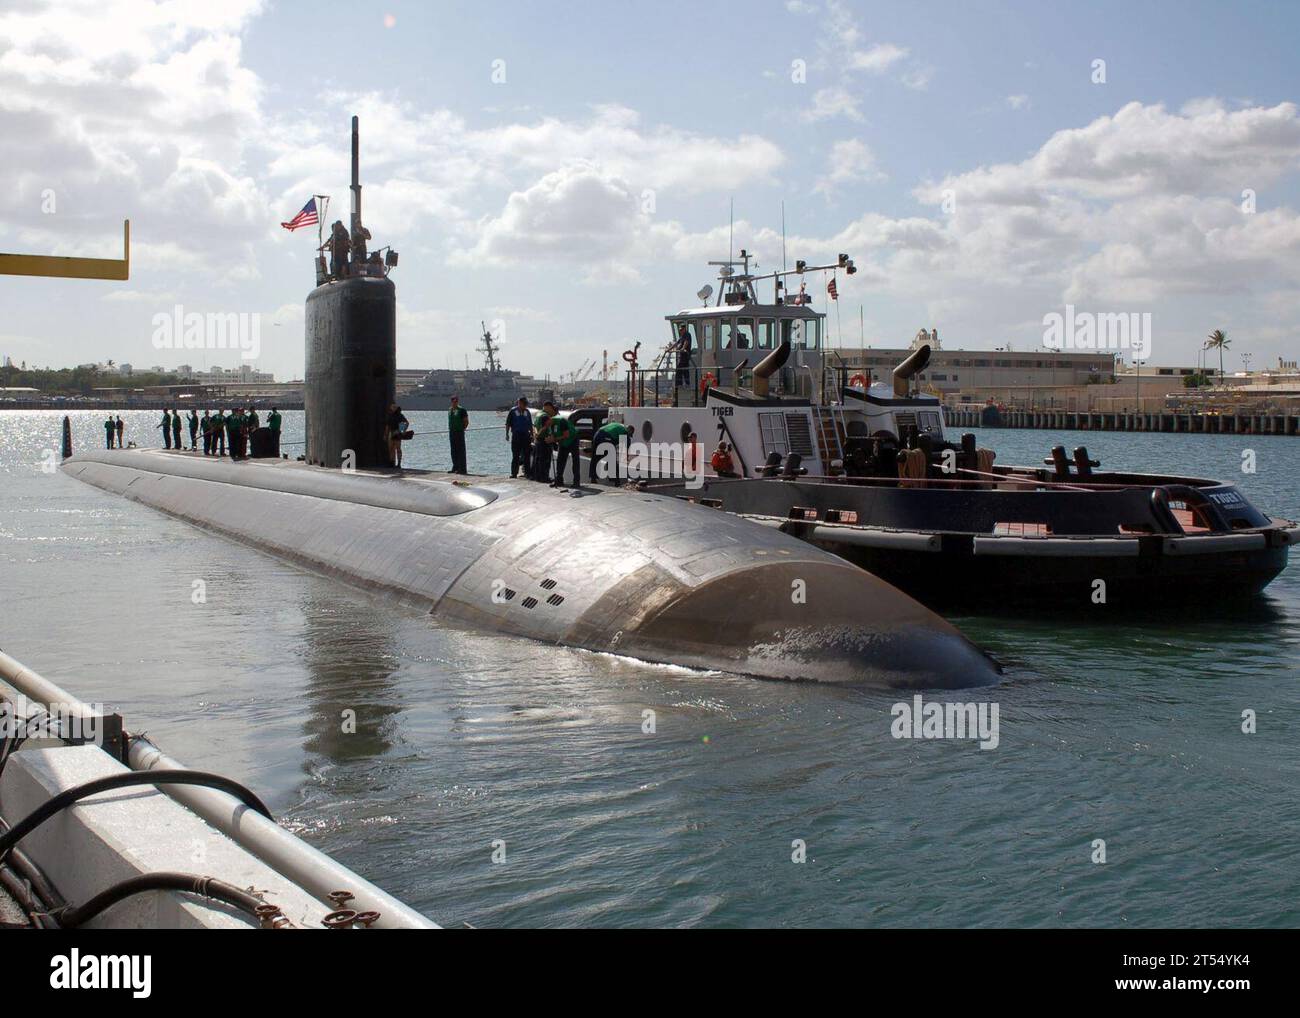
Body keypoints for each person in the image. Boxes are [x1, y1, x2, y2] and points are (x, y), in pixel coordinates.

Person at [544, 402, 579, 488]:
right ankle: (559, 481)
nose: (546, 426)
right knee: (560, 461)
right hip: (563, 442)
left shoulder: (561, 421)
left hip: (572, 440)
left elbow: (566, 435)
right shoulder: (550, 425)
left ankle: (576, 482)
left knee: (575, 461)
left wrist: (554, 439)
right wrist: (550, 440)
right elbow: (552, 435)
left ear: (549, 420)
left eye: (546, 424)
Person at [590, 419, 633, 483]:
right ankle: (616, 481)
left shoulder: (618, 425)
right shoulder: (625, 431)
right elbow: (626, 446)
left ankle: (593, 478)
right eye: (630, 435)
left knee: (595, 457)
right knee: (611, 457)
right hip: (606, 436)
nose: (629, 436)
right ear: (629, 431)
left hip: (597, 434)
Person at [505, 397, 534, 478]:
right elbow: (508, 423)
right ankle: (514, 473)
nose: (524, 405)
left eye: (525, 404)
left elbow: (530, 425)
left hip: (526, 436)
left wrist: (532, 435)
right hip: (516, 435)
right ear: (519, 403)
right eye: (523, 404)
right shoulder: (513, 411)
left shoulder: (527, 412)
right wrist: (507, 434)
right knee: (516, 455)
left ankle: (527, 473)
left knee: (526, 455)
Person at [447, 395, 469, 474]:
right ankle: (455, 467)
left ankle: (462, 469)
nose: (455, 402)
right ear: (451, 401)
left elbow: (466, 421)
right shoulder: (450, 410)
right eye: (453, 401)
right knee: (453, 451)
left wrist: (463, 429)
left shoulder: (462, 410)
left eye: (456, 401)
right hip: (452, 432)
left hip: (459, 432)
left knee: (461, 451)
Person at [531, 406, 552, 482]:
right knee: (543, 460)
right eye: (549, 420)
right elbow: (538, 434)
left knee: (539, 459)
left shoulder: (539, 415)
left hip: (540, 442)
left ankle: (539, 476)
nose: (551, 421)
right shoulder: (544, 428)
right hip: (542, 442)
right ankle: (543, 477)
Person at [386, 403, 409, 467]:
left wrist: (402, 430)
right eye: (392, 407)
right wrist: (385, 434)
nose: (392, 408)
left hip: (397, 433)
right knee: (391, 448)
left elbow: (406, 423)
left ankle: (399, 463)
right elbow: (387, 426)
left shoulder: (400, 415)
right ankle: (391, 463)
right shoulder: (390, 415)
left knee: (398, 448)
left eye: (393, 407)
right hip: (391, 433)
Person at [673, 324, 694, 393]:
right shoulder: (682, 336)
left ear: (684, 329)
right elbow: (677, 343)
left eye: (681, 330)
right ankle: (681, 384)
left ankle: (681, 384)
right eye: (680, 330)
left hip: (685, 356)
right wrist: (669, 349)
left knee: (681, 370)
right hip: (682, 356)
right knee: (683, 371)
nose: (680, 331)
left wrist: (683, 348)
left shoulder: (687, 335)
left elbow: (686, 342)